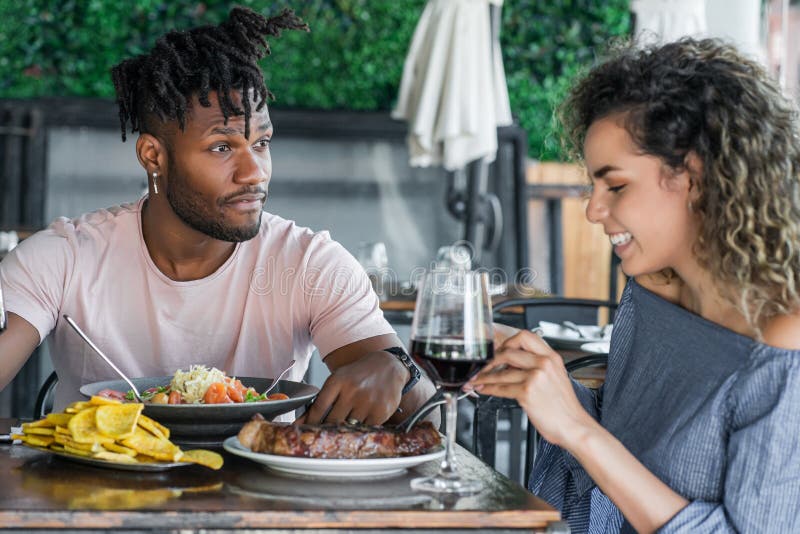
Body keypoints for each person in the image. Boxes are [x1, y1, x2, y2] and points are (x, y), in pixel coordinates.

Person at [0, 6, 435, 425]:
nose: (254, 173)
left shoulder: (309, 263)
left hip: (263, 497)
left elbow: (427, 419)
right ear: (153, 155)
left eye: (261, 143)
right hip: (93, 495)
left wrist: (397, 370)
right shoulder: (63, 259)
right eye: (222, 147)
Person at [468, 38, 800, 533]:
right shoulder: (650, 291)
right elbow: (623, 446)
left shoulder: (781, 340)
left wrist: (577, 429)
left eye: (615, 186)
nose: (593, 209)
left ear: (695, 177)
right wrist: (546, 378)